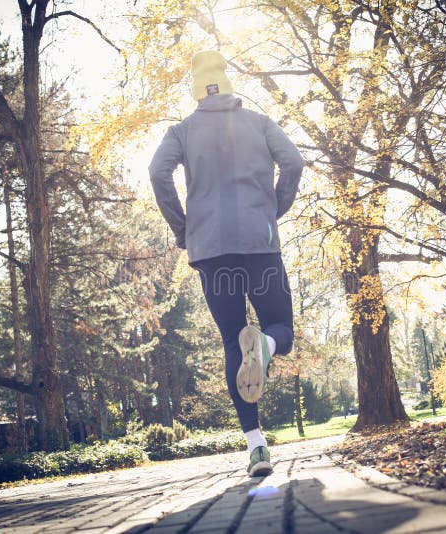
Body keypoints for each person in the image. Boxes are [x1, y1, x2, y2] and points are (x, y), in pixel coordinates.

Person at [149, 50, 304, 477]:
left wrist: (184, 228)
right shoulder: (260, 122)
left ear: (196, 89)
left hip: (212, 253)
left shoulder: (181, 132)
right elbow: (293, 162)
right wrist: (274, 208)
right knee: (281, 329)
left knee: (234, 343)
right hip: (260, 243)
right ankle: (266, 345)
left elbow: (158, 174)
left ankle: (257, 448)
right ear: (228, 82)